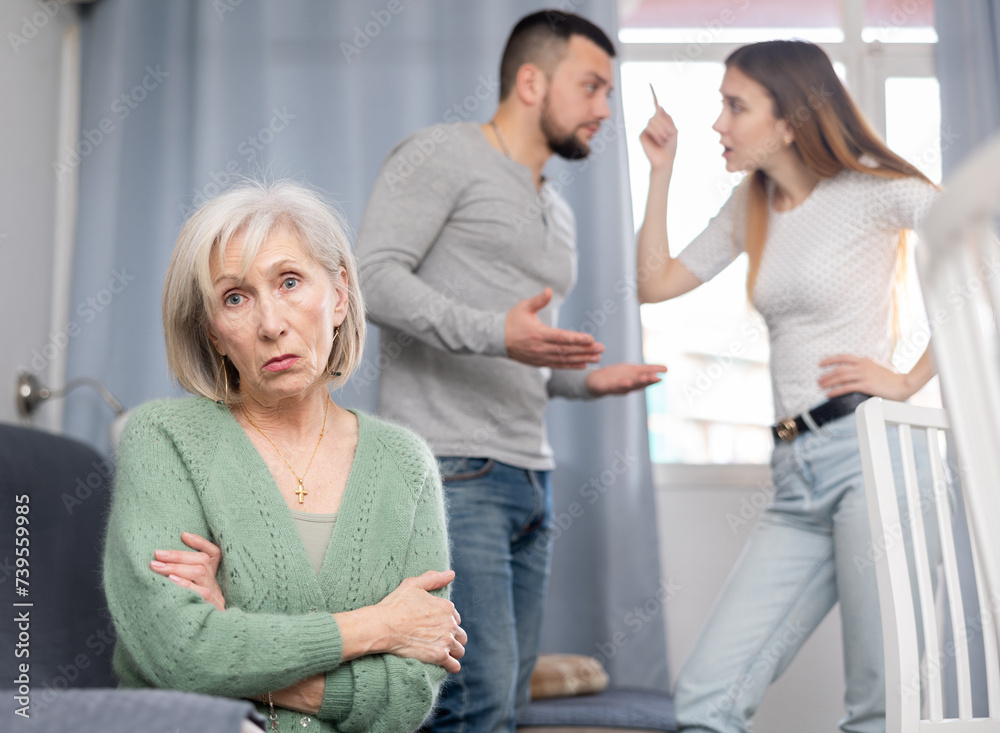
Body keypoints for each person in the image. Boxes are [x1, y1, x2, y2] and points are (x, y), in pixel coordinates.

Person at [355, 10, 666, 733]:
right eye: (591, 87)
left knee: (505, 706)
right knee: (474, 704)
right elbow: (370, 279)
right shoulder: (442, 155)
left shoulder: (558, 211)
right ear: (531, 81)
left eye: (609, 93)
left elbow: (523, 350)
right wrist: (499, 332)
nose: (604, 110)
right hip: (449, 468)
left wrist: (585, 379)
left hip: (531, 478)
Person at [636, 40, 942, 733]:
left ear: (789, 118)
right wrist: (661, 172)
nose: (718, 122)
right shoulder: (755, 204)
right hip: (794, 474)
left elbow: (977, 250)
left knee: (877, 705)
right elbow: (654, 282)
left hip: (868, 460)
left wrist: (909, 377)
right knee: (705, 701)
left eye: (734, 105)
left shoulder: (872, 190)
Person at [102, 181, 467, 733]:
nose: (271, 324)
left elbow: (408, 697)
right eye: (235, 298)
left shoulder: (404, 463)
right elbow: (178, 654)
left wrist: (234, 637)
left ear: (339, 295)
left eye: (290, 282)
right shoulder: (163, 441)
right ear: (215, 336)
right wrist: (379, 626)